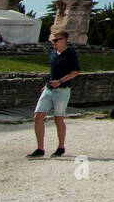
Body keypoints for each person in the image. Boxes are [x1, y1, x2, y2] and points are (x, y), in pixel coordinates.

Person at [28, 30, 80, 158]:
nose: (54, 42)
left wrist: (61, 81)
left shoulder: (70, 53)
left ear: (64, 40)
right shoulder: (53, 54)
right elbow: (53, 72)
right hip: (49, 88)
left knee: (58, 118)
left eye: (57, 40)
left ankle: (61, 147)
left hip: (62, 90)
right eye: (53, 40)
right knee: (37, 117)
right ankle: (40, 148)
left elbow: (75, 71)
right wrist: (47, 84)